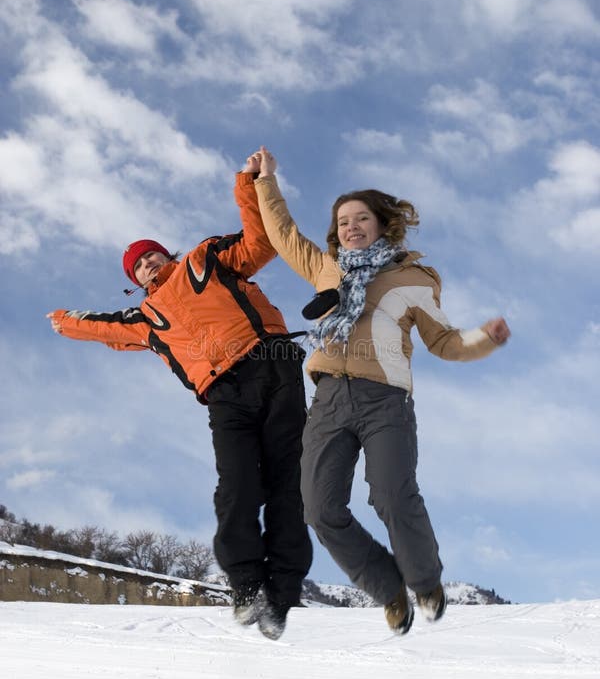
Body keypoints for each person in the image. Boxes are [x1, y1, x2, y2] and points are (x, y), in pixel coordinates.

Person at [47, 153, 313, 640]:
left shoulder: (205, 259)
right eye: (138, 268)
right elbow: (100, 327)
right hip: (223, 395)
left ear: (166, 254)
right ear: (136, 282)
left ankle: (281, 595)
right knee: (236, 488)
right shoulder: (145, 320)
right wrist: (65, 321)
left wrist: (249, 184)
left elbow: (260, 242)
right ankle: (247, 587)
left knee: (288, 484)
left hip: (272, 365)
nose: (147, 265)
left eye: (151, 255)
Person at [252, 146, 510, 635]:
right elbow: (282, 233)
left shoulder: (414, 278)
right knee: (319, 507)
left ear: (381, 222)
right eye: (343, 220)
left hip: (385, 400)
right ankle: (388, 589)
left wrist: (484, 338)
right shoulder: (327, 269)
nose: (351, 226)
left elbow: (446, 342)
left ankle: (425, 581)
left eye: (361, 218)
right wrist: (266, 181)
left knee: (391, 494)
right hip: (328, 399)